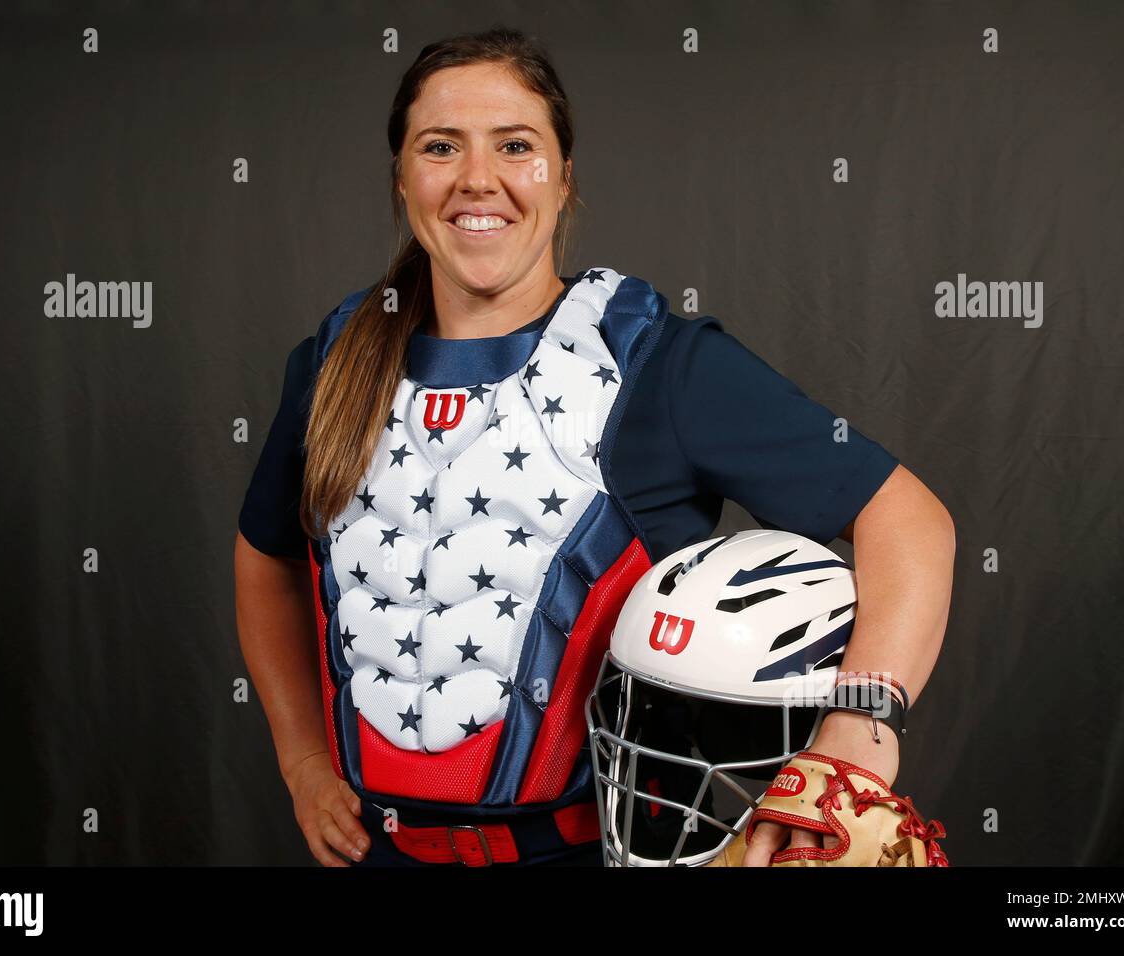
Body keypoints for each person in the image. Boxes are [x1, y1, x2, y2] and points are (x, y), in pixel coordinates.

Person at [232, 27, 955, 868]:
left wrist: (858, 732)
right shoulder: (335, 359)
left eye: (516, 146)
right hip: (378, 854)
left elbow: (908, 519)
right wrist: (302, 761)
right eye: (440, 146)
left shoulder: (655, 366)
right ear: (402, 181)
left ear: (564, 178)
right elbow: (265, 555)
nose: (479, 179)